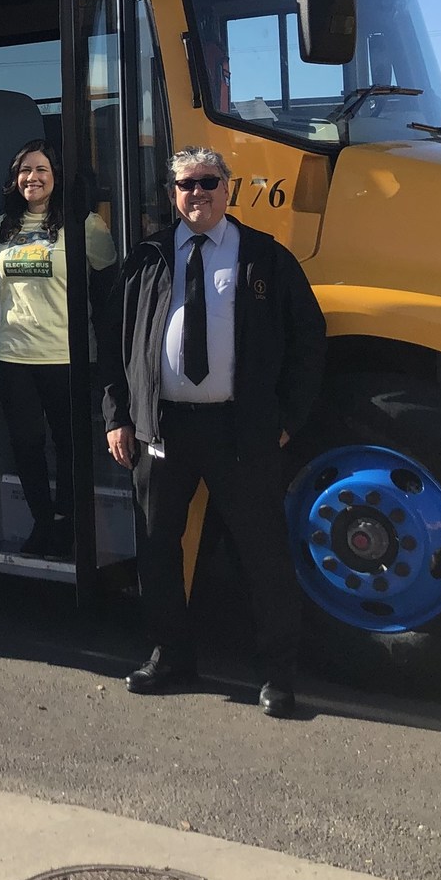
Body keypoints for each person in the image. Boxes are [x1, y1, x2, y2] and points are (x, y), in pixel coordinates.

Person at [101, 146, 325, 716]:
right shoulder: (149, 257)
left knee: (263, 553)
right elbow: (116, 344)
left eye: (207, 182)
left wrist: (287, 419)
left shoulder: (265, 258)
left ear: (229, 188)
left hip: (240, 431)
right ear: (172, 194)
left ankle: (276, 675)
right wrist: (118, 417)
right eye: (184, 185)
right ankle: (171, 655)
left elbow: (308, 342)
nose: (195, 193)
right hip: (162, 428)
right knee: (156, 549)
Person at [0, 140, 117, 557]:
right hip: (12, 355)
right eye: (24, 171)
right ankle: (44, 521)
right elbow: (7, 290)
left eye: (41, 170)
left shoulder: (86, 225)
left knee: (70, 444)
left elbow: (107, 288)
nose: (31, 178)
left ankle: (71, 522)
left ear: (57, 177)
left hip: (67, 355)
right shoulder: (4, 225)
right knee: (26, 443)